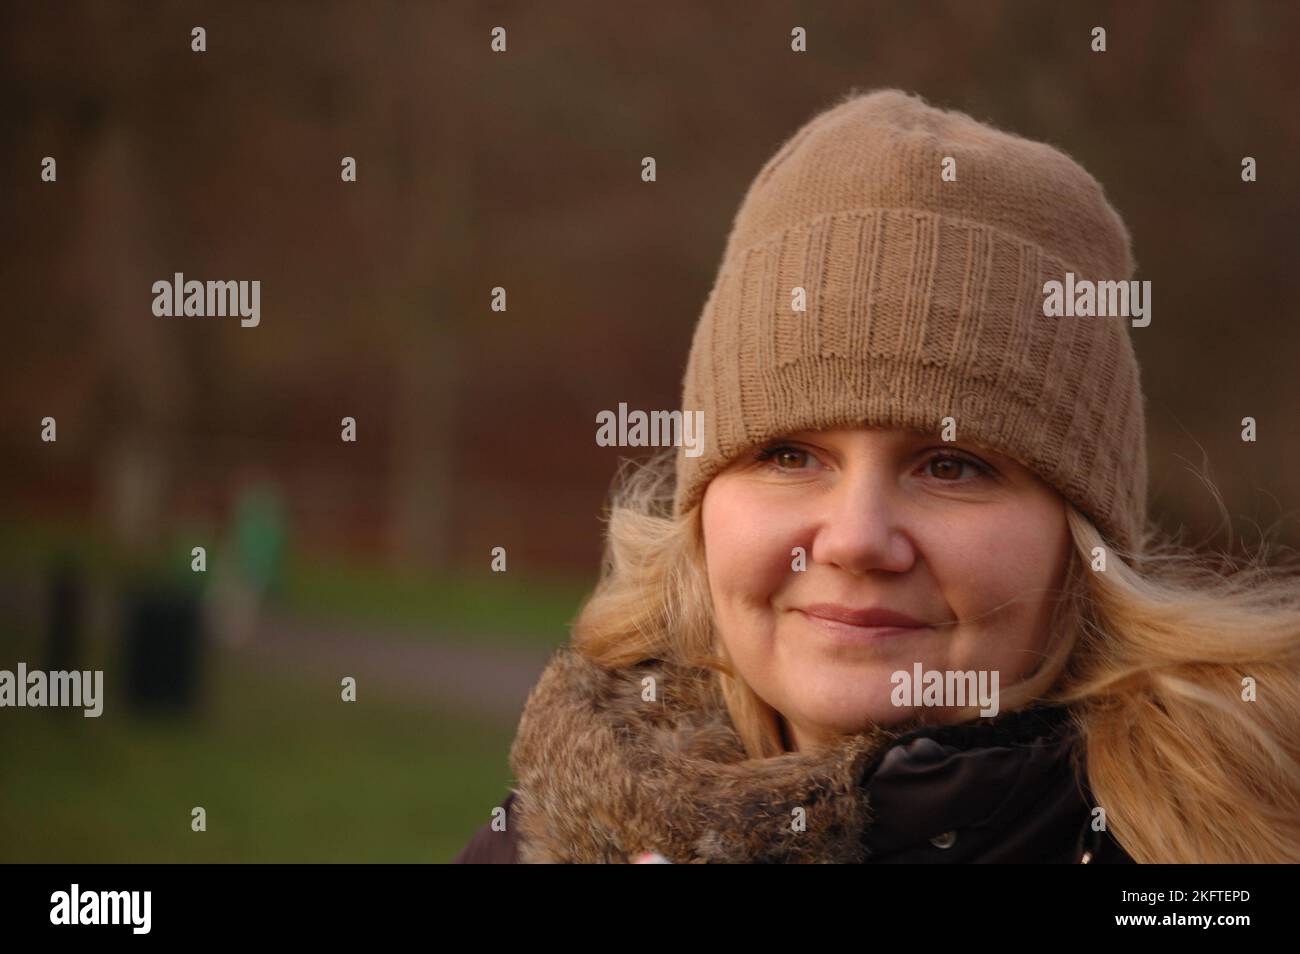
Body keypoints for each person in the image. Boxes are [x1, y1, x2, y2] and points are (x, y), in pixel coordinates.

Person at [454, 88, 1300, 863]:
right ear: (704, 508)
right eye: (788, 456)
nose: (857, 538)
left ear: (1081, 541)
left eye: (951, 466)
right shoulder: (545, 838)